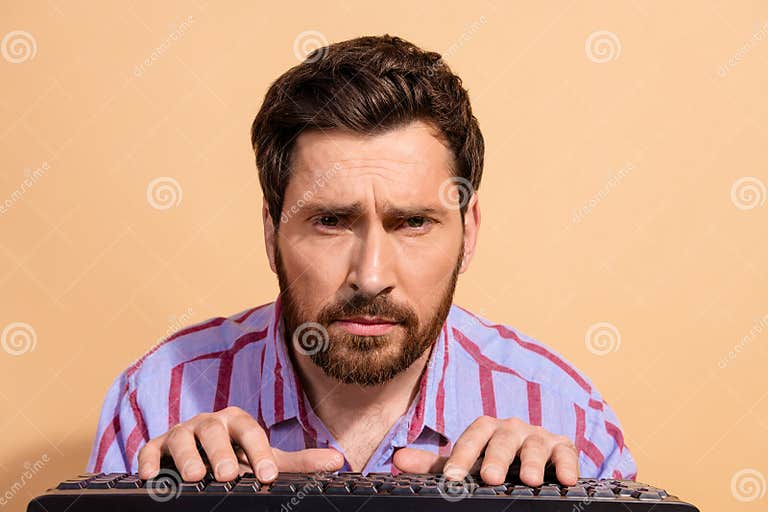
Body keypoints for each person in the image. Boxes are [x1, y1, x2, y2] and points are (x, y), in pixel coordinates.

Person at [87, 34, 636, 488]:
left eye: (413, 223)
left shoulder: (570, 417)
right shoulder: (153, 403)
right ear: (270, 229)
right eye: (330, 221)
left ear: (468, 233)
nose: (371, 276)